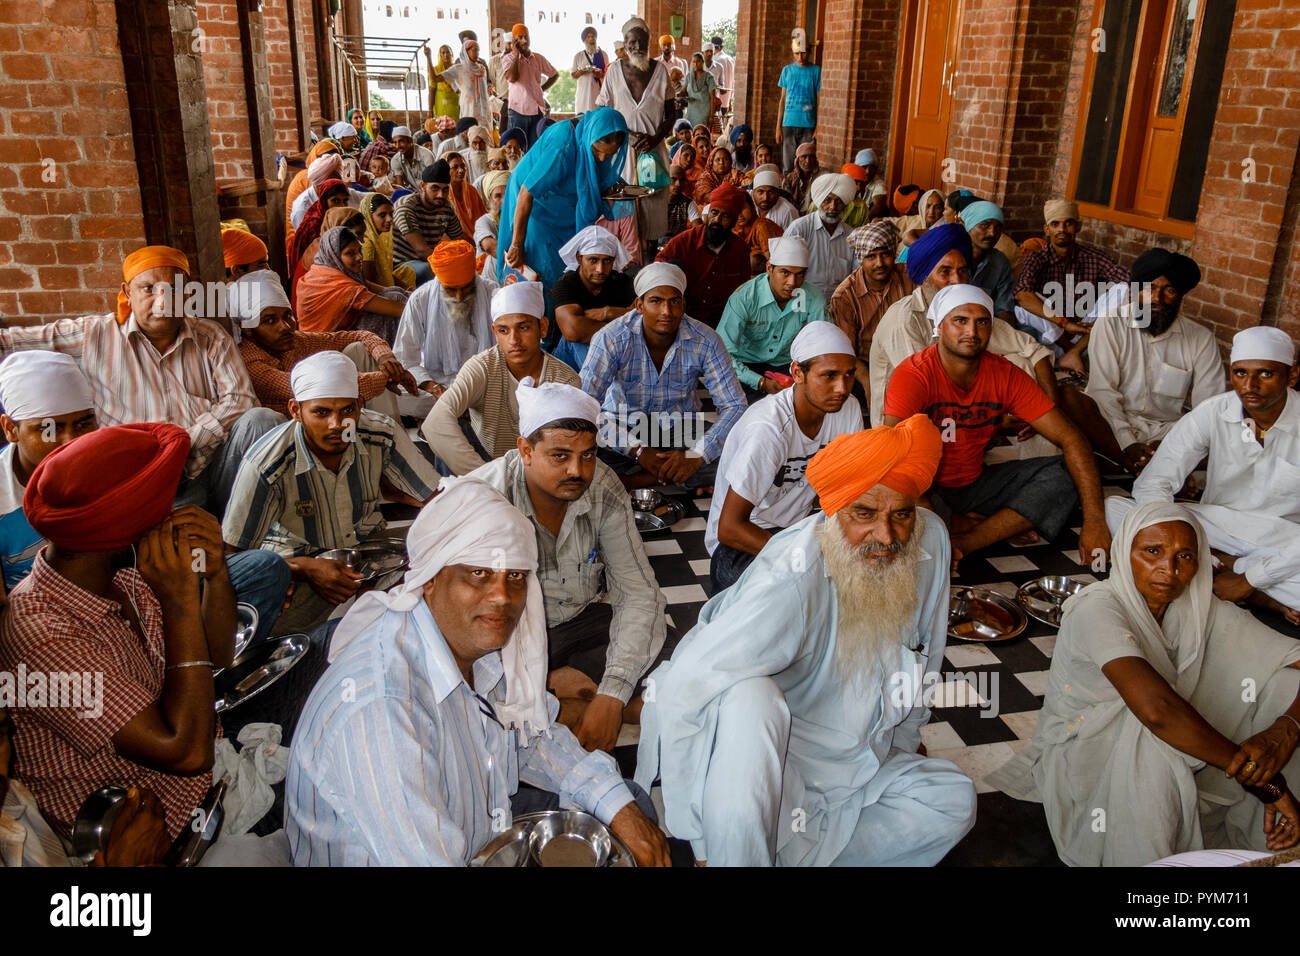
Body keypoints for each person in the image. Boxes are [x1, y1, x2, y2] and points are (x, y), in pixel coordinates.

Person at [637, 415, 976, 865]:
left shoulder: (928, 540)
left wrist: (905, 735)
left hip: (857, 758)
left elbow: (926, 653)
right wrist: (699, 837)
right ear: (833, 514)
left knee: (953, 799)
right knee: (751, 700)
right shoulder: (790, 579)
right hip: (767, 763)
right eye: (864, 513)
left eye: (901, 513)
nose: (887, 536)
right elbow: (686, 688)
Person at [284, 477, 670, 866]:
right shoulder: (382, 707)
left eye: (514, 576)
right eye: (478, 574)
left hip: (472, 821)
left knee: (629, 804)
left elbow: (530, 739)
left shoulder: (478, 651)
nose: (502, 596)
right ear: (431, 578)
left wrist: (621, 811)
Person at [989, 502, 1300, 866]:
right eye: (1152, 552)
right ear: (1124, 553)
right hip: (1088, 754)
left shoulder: (1198, 609)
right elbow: (1157, 712)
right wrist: (1262, 780)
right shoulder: (1097, 609)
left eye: (1184, 556)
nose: (1168, 569)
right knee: (1151, 742)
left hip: (1186, 745)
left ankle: (1273, 843)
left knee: (1283, 685)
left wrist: (1286, 729)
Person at [0, 423, 234, 840]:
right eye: (162, 504)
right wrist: (180, 601)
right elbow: (187, 753)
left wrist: (215, 575)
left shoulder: (122, 577)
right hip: (159, 832)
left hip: (204, 781)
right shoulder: (41, 632)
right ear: (131, 524)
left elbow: (215, 660)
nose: (172, 512)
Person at [0, 246, 279, 517]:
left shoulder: (210, 336)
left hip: (207, 466)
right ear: (127, 293)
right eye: (148, 289)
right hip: (138, 480)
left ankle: (242, 530)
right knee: (177, 536)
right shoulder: (93, 335)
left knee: (262, 420)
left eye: (174, 289)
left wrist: (182, 446)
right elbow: (9, 342)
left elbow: (242, 400)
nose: (162, 301)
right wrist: (162, 460)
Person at [468, 379, 671, 752]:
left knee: (680, 653)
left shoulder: (603, 487)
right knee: (477, 702)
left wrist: (612, 695)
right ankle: (558, 696)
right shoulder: (483, 498)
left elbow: (638, 593)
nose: (577, 471)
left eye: (588, 455)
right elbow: (461, 621)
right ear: (525, 451)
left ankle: (567, 697)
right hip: (507, 636)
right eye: (559, 456)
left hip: (578, 623)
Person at [883, 284, 1111, 563]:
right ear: (939, 327)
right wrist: (930, 513)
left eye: (982, 321)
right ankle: (980, 526)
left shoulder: (1004, 374)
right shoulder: (914, 374)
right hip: (927, 487)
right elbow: (891, 452)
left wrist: (1096, 521)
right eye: (960, 321)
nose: (972, 331)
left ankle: (968, 539)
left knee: (1065, 473)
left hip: (975, 483)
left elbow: (1071, 438)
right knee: (895, 503)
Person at [223, 352, 438, 637]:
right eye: (321, 412)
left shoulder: (380, 434)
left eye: (348, 410)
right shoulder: (267, 464)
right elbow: (232, 559)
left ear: (360, 405)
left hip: (371, 556)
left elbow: (438, 499)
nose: (337, 424)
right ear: (296, 411)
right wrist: (302, 568)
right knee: (302, 643)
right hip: (298, 570)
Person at [1112, 326, 1300, 622]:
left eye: (1265, 373)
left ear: (1292, 376)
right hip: (1214, 527)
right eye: (1240, 373)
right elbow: (1154, 482)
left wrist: (1248, 579)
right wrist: (1177, 537)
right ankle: (1222, 571)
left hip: (1282, 541)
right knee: (1119, 509)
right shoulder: (1214, 412)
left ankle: (1216, 573)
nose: (1249, 385)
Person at [706, 322, 862, 593]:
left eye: (849, 375)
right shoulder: (768, 429)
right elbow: (729, 528)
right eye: (829, 376)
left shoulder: (848, 409)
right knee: (779, 591)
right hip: (745, 542)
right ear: (797, 372)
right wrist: (798, 557)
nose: (842, 388)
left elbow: (848, 490)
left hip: (799, 530)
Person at [868, 223, 1053, 426]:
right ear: (925, 277)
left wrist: (1047, 407)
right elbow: (929, 390)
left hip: (958, 418)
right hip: (911, 427)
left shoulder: (967, 310)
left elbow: (1034, 350)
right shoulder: (904, 319)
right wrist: (995, 420)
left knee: (1020, 362)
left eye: (962, 271)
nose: (957, 281)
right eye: (945, 272)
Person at [581, 263, 745, 491]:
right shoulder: (611, 338)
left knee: (744, 451)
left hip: (679, 430)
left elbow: (735, 405)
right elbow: (585, 405)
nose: (667, 312)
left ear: (683, 304)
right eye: (656, 301)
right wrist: (637, 450)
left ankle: (632, 481)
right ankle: (675, 476)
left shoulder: (706, 340)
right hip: (622, 428)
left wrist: (696, 456)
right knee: (581, 454)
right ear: (639, 305)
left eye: (674, 301)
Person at [1064, 249, 1222, 474]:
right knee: (1072, 402)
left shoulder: (1201, 339)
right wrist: (1128, 442)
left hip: (1168, 432)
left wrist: (1172, 445)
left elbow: (1208, 407)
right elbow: (1103, 391)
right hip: (1112, 424)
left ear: (1180, 295)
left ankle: (1136, 465)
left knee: (1231, 437)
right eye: (1149, 288)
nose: (1156, 298)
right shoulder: (1110, 324)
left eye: (1169, 290)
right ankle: (1135, 462)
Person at [422, 282, 580, 477]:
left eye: (523, 327)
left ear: (543, 328)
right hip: (485, 462)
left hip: (537, 471)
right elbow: (434, 423)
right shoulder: (482, 366)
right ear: (495, 333)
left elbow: (565, 449)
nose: (514, 340)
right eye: (504, 330)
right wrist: (490, 480)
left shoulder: (565, 380)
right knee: (449, 434)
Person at [230, 270, 413, 421]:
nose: (285, 327)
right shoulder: (248, 363)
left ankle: (390, 432)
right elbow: (322, 387)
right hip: (293, 435)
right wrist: (388, 377)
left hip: (327, 421)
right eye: (269, 321)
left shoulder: (296, 341)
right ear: (248, 330)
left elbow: (360, 335)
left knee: (359, 348)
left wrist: (386, 358)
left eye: (288, 316)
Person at [499, 107, 629, 294]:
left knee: (568, 265)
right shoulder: (563, 147)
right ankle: (547, 317)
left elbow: (593, 175)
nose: (601, 159)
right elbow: (526, 193)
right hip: (534, 206)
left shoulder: (591, 129)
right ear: (591, 139)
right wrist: (517, 244)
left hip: (562, 204)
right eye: (597, 152)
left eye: (608, 155)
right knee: (545, 267)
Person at [0, 352, 97, 597]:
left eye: (84, 424)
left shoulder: (108, 470)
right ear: (11, 429)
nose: (71, 441)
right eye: (49, 428)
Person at [1014, 199, 1129, 372]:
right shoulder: (1037, 258)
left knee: (1125, 289)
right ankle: (1069, 352)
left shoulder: (1093, 257)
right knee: (1024, 302)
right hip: (1051, 336)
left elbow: (1128, 280)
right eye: (1055, 224)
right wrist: (1064, 323)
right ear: (1047, 229)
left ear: (1078, 227)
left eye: (1068, 223)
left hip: (1084, 333)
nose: (1062, 229)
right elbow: (1022, 294)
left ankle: (1074, 353)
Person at [596, 18, 676, 260]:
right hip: (622, 155)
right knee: (625, 211)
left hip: (653, 155)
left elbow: (671, 114)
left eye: (642, 41)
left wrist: (654, 139)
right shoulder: (614, 71)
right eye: (632, 41)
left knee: (652, 213)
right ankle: (628, 266)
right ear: (625, 44)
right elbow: (602, 110)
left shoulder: (661, 71)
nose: (637, 46)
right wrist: (627, 135)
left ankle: (650, 263)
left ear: (649, 43)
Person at [715, 236, 827, 402]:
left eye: (800, 274)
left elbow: (821, 344)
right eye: (785, 272)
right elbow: (722, 353)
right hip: (745, 367)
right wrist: (760, 382)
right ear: (769, 268)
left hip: (788, 366)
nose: (792, 282)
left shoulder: (812, 297)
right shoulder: (744, 298)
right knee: (747, 413)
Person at [394, 240, 498, 399]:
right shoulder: (420, 299)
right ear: (441, 283)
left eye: (466, 287)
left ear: (474, 278)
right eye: (451, 289)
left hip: (487, 381)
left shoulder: (493, 294)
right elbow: (405, 358)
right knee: (395, 396)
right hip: (438, 381)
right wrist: (435, 389)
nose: (459, 297)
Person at [830, 219, 913, 397]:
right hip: (865, 365)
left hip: (907, 358)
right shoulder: (845, 296)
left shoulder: (909, 277)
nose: (880, 263)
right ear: (860, 259)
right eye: (871, 256)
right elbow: (847, 353)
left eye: (885, 254)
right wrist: (869, 384)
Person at [654, 182, 751, 329]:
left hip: (722, 320)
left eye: (725, 216)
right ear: (708, 213)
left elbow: (743, 289)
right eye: (714, 213)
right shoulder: (686, 240)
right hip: (684, 316)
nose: (717, 220)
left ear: (733, 221)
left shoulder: (740, 249)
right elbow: (658, 266)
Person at [296, 227, 408, 341]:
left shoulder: (324, 268)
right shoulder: (338, 285)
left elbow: (371, 287)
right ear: (334, 255)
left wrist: (411, 293)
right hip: (321, 344)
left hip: (339, 332)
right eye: (350, 253)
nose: (359, 257)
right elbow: (400, 309)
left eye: (359, 250)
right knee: (393, 307)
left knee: (394, 293)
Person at [550, 226, 636, 372]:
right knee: (578, 340)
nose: (600, 269)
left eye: (607, 261)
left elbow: (643, 315)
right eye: (593, 260)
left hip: (611, 352)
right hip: (564, 359)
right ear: (579, 258)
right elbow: (573, 331)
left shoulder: (620, 282)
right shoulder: (566, 284)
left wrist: (606, 313)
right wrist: (622, 320)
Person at [785, 172, 858, 301]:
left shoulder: (851, 235)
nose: (833, 207)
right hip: (802, 300)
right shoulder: (799, 228)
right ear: (819, 201)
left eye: (839, 201)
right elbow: (785, 271)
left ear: (846, 205)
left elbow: (856, 276)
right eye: (827, 200)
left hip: (838, 301)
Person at [392, 160, 466, 285]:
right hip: (403, 264)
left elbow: (459, 240)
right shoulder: (406, 207)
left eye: (445, 190)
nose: (440, 195)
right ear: (422, 186)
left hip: (430, 259)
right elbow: (421, 251)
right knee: (432, 271)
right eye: (435, 189)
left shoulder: (446, 207)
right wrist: (452, 264)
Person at [502, 24, 558, 146]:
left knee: (535, 148)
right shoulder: (508, 59)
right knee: (517, 149)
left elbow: (554, 75)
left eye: (526, 37)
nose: (525, 40)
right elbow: (512, 78)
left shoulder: (537, 58)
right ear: (514, 41)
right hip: (518, 111)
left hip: (537, 110)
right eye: (520, 37)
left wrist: (540, 89)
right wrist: (517, 56)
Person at [960, 200, 1016, 319]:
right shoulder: (950, 257)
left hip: (987, 325)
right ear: (968, 225)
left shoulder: (1000, 262)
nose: (992, 233)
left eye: (998, 227)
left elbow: (1004, 309)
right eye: (985, 225)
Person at [777, 38, 822, 174]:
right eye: (797, 53)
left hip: (808, 124)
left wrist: (818, 127)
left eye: (803, 53)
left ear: (809, 52)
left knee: (806, 165)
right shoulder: (787, 71)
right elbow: (782, 99)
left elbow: (819, 100)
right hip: (788, 123)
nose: (800, 57)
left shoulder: (816, 71)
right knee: (788, 165)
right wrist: (778, 127)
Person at [358, 193, 416, 292]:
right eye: (382, 215)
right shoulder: (367, 243)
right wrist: (400, 292)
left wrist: (408, 289)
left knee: (407, 272)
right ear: (368, 217)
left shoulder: (379, 238)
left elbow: (387, 273)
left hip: (381, 285)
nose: (389, 219)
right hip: (375, 291)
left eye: (391, 214)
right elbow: (369, 283)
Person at [438, 37, 492, 127]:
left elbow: (486, 82)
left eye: (478, 50)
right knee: (469, 131)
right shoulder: (459, 67)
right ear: (466, 51)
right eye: (475, 50)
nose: (477, 53)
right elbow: (453, 83)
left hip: (483, 109)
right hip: (468, 107)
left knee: (484, 133)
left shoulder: (482, 67)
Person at [446, 151, 487, 237]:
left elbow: (483, 217)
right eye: (455, 167)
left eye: (463, 166)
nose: (460, 170)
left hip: (478, 236)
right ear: (446, 170)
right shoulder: (444, 193)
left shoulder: (471, 190)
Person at [571, 27, 607, 114]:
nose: (591, 39)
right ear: (584, 40)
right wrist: (581, 72)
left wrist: (599, 74)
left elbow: (606, 74)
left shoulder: (603, 54)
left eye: (593, 36)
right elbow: (573, 75)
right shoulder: (578, 56)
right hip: (583, 93)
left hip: (598, 93)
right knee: (582, 118)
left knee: (597, 118)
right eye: (588, 37)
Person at [782, 140, 820, 210]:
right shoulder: (790, 179)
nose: (808, 161)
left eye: (811, 157)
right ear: (797, 160)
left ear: (815, 159)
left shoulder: (821, 176)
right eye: (804, 157)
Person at [683, 52, 718, 129]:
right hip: (691, 112)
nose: (695, 64)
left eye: (698, 61)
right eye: (694, 62)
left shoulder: (709, 77)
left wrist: (711, 116)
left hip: (703, 113)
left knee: (700, 134)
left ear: (702, 62)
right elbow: (683, 91)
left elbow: (713, 98)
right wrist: (677, 95)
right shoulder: (689, 76)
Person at [426, 44, 461, 121]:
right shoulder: (435, 70)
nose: (446, 55)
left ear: (451, 54)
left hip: (455, 106)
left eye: (448, 52)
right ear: (440, 56)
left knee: (455, 130)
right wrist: (430, 110)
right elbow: (431, 91)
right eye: (443, 53)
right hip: (441, 107)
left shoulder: (456, 69)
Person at [710, 35, 734, 113]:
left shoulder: (715, 60)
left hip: (717, 100)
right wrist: (730, 100)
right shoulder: (730, 59)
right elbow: (732, 81)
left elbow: (714, 82)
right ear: (722, 47)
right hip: (727, 99)